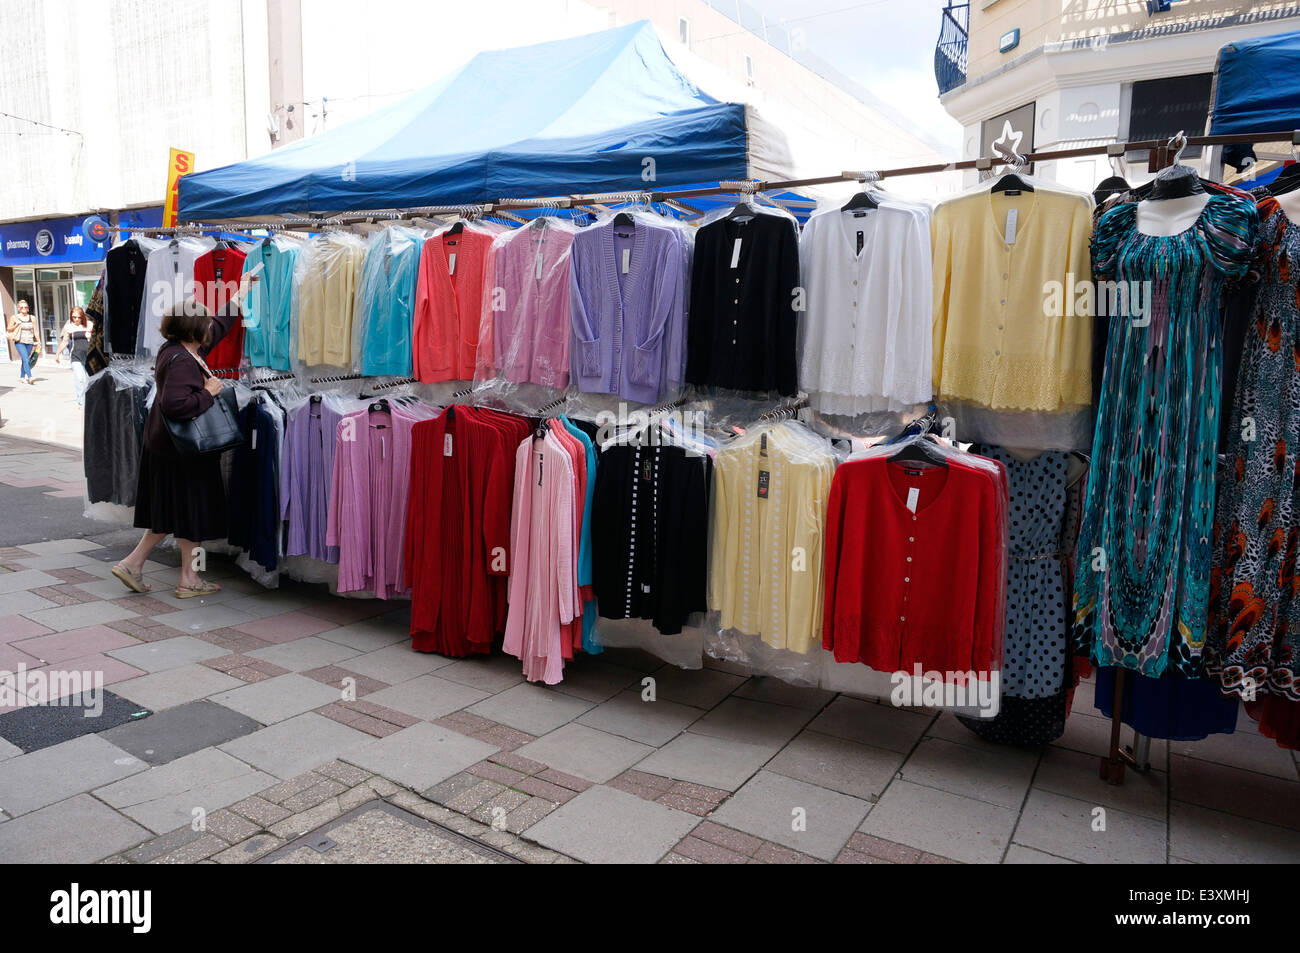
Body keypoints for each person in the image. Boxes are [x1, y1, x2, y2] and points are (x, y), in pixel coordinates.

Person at [112, 271, 255, 598]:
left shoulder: (180, 349)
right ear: (194, 329)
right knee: (185, 511)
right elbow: (177, 405)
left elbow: (218, 326)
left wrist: (240, 292)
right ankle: (142, 565)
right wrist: (209, 391)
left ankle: (181, 576)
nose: (210, 328)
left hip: (175, 450)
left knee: (185, 513)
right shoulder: (181, 360)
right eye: (204, 323)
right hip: (180, 452)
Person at [55, 306, 94, 406]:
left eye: (79, 317)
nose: (76, 319)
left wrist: (90, 335)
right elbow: (64, 342)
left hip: (89, 356)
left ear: (82, 317)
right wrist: (58, 354)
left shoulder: (89, 325)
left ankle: (92, 401)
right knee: (80, 379)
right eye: (74, 317)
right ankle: (81, 402)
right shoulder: (69, 327)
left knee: (91, 379)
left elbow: (97, 339)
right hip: (75, 356)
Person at [6, 299, 41, 385]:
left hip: (30, 341)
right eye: (21, 307)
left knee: (25, 360)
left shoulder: (32, 318)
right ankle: (30, 377)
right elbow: (8, 329)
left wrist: (38, 342)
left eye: (25, 307)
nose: (24, 308)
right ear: (18, 308)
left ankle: (22, 377)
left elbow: (35, 331)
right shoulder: (14, 317)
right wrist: (16, 325)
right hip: (19, 341)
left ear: (28, 308)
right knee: (26, 358)